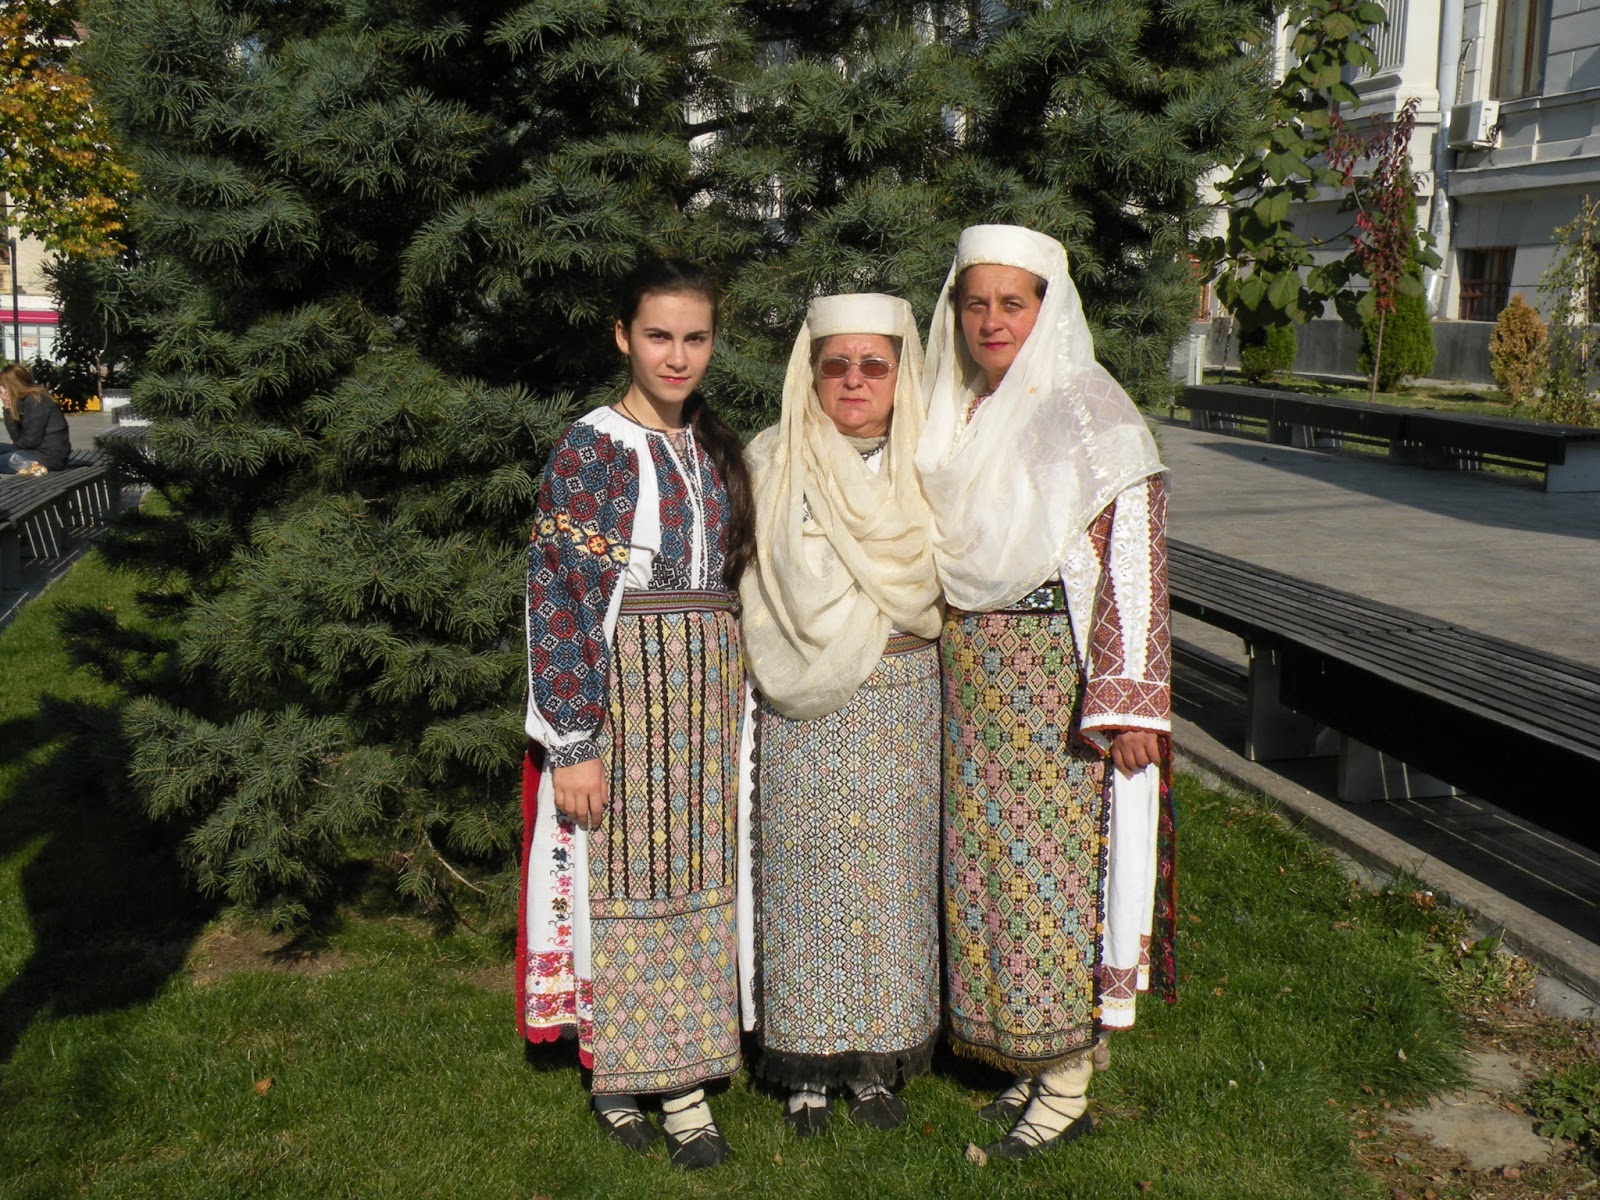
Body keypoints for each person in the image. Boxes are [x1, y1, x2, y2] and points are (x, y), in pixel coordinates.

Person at [915, 225, 1175, 1160]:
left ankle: (1065, 1075)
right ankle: (1023, 1053)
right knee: (981, 864)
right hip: (970, 671)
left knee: (1048, 872)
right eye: (975, 303)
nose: (991, 322)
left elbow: (1131, 557)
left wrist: (1128, 696)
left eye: (1011, 303)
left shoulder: (1088, 410)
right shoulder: (963, 410)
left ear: (1047, 306)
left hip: (1049, 676)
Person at [516, 258, 757, 1170]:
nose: (678, 355)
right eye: (659, 335)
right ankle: (648, 1080)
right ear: (623, 336)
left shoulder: (713, 445)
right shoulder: (594, 447)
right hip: (627, 696)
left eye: (695, 337)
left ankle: (678, 1065)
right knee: (625, 882)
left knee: (697, 880)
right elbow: (559, 598)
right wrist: (574, 742)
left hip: (708, 698)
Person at [739, 293, 945, 1136]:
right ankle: (806, 1074)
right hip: (802, 704)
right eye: (837, 364)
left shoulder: (931, 463)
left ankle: (871, 1065)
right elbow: (752, 591)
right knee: (806, 881)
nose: (855, 379)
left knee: (889, 887)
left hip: (902, 703)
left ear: (902, 371)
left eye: (874, 364)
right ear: (810, 370)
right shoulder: (768, 460)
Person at [0, 364, 70, 475]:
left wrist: (16, 444)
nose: (2, 389)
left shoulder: (36, 400)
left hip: (49, 457)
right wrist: (8, 407)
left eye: (3, 385)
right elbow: (17, 438)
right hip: (34, 450)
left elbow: (30, 441)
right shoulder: (25, 399)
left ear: (12, 385)